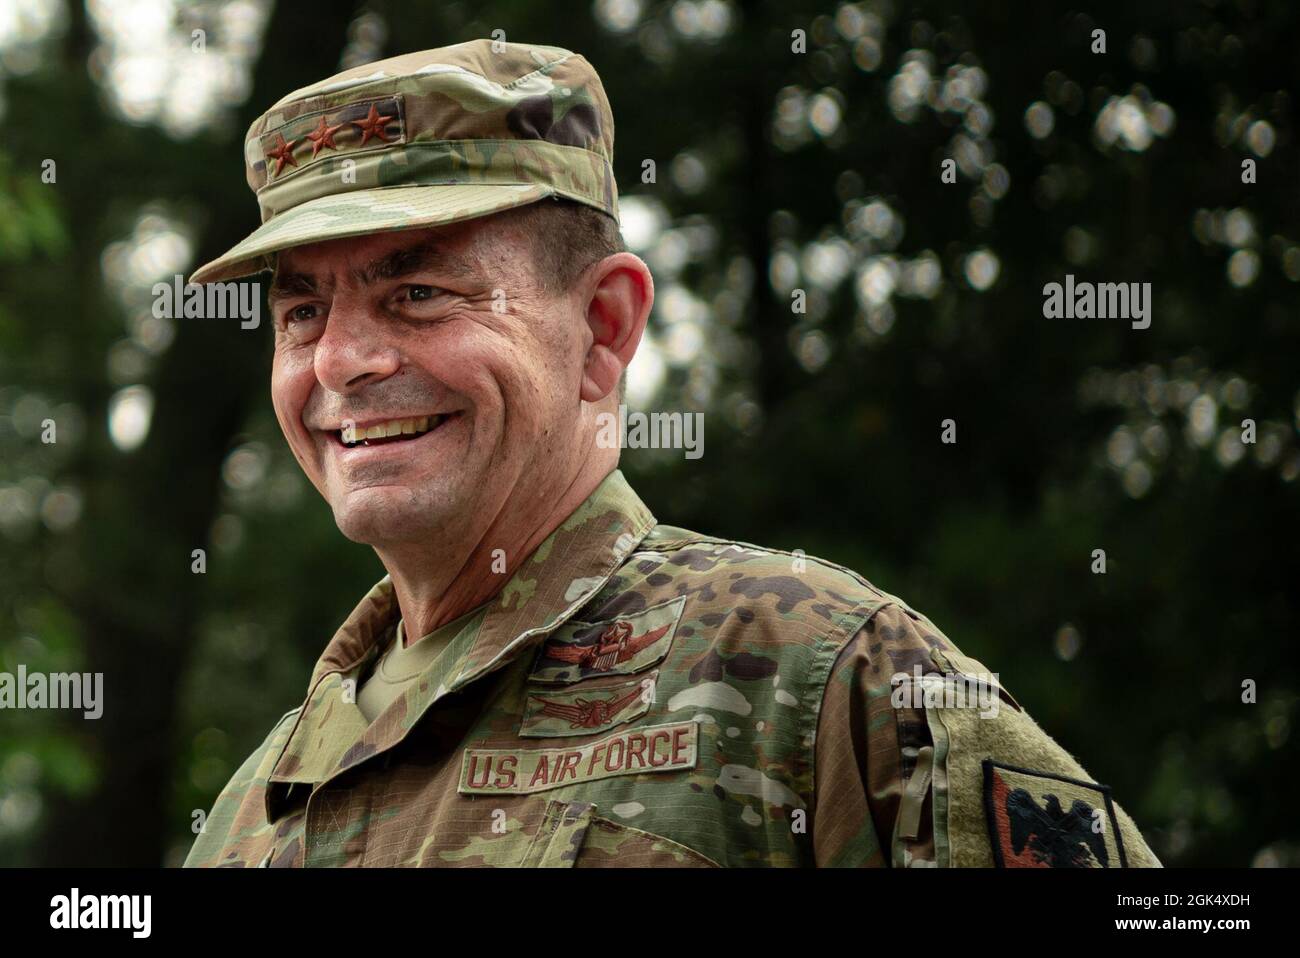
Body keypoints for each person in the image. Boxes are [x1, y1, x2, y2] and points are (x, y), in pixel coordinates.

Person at [184, 39, 1160, 868]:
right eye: (302, 310)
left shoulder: (813, 677)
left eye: (418, 293)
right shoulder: (251, 807)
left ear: (602, 328)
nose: (342, 362)